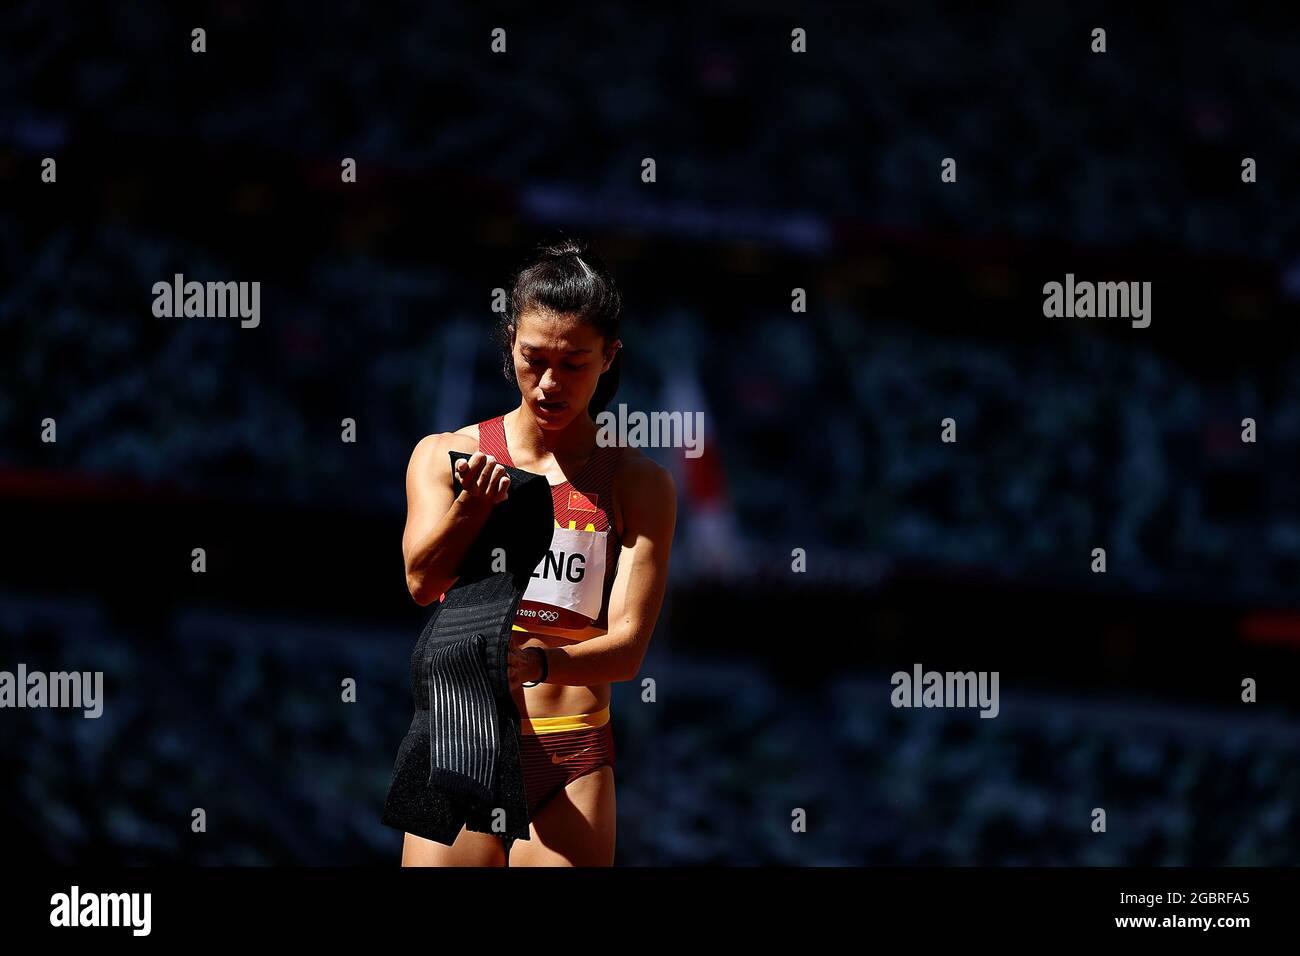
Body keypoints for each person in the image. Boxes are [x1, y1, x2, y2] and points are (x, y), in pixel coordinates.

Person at [399, 239, 676, 866]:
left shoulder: (637, 484)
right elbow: (420, 581)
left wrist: (539, 664)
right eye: (534, 359)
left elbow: (629, 649)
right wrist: (472, 509)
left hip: (570, 748)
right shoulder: (445, 454)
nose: (550, 383)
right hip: (461, 738)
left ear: (610, 357)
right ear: (510, 347)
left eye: (575, 363)